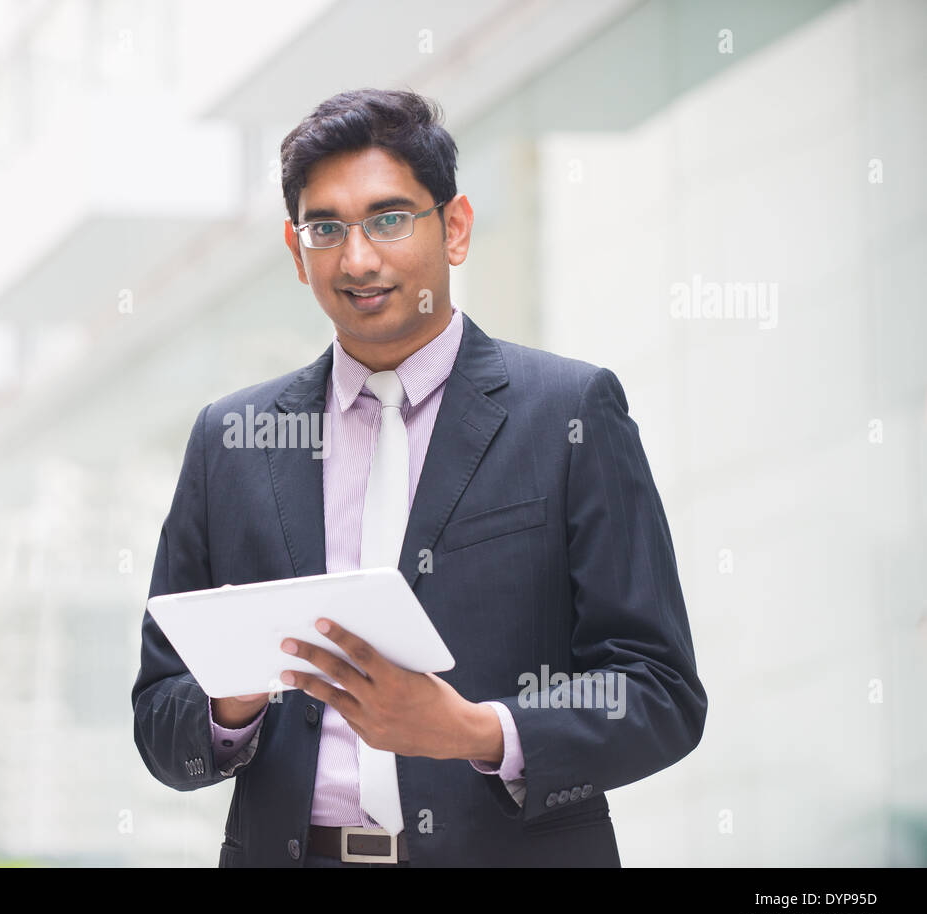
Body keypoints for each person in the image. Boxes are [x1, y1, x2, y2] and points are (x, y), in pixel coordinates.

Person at [131, 88, 707, 867]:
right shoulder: (231, 440)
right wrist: (229, 705)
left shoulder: (569, 412)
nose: (358, 257)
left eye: (389, 218)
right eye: (325, 228)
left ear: (456, 227)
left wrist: (477, 731)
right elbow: (160, 719)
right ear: (298, 253)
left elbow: (659, 693)